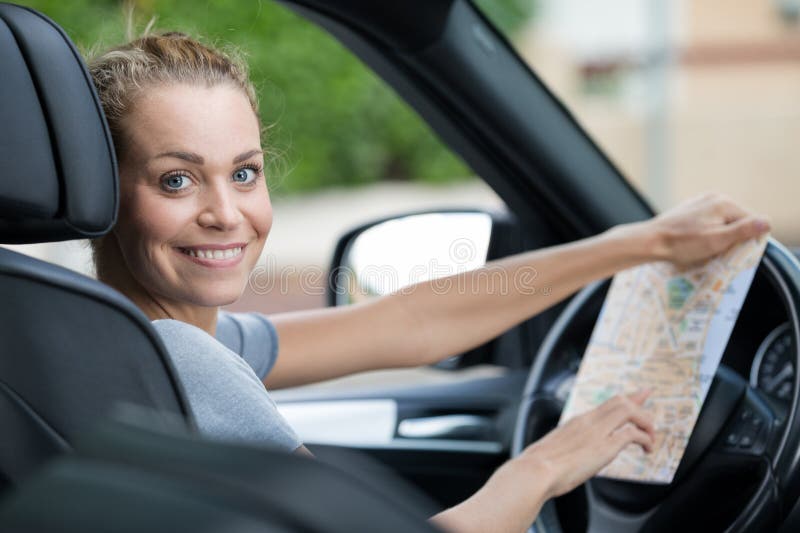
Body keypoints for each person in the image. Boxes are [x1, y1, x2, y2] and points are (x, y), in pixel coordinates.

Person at [87, 31, 770, 533]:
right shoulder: (184, 358)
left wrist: (635, 242)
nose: (226, 213)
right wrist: (544, 468)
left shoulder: (110, 334)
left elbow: (408, 323)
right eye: (176, 179)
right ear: (99, 191)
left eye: (244, 172)